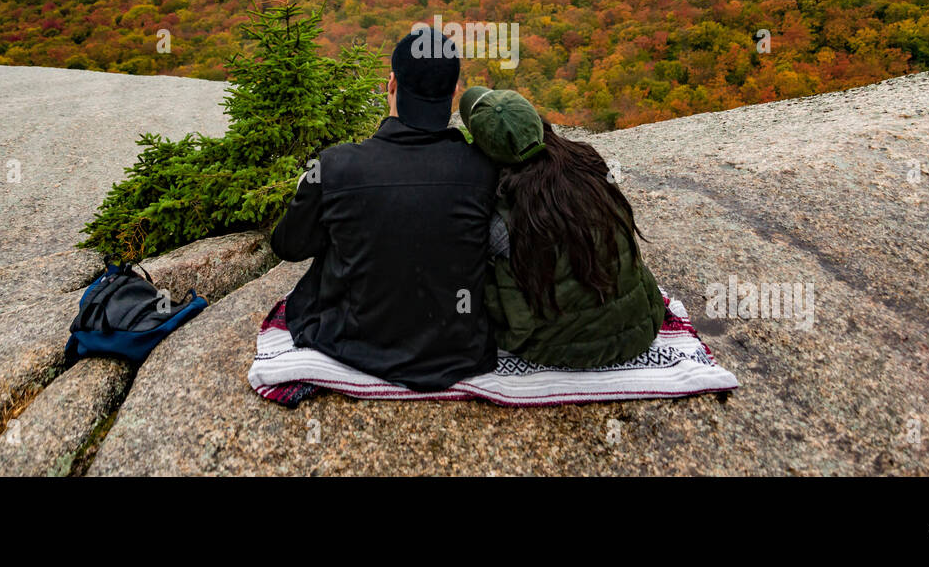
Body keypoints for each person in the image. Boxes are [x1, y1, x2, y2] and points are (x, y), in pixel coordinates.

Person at [269, 27, 498, 391]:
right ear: (455, 92)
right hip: (460, 348)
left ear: (390, 84)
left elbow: (287, 245)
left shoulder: (337, 166)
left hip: (352, 341)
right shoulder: (484, 170)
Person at [459, 87, 666, 368]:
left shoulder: (503, 208)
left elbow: (511, 315)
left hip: (559, 349)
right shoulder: (588, 161)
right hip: (640, 324)